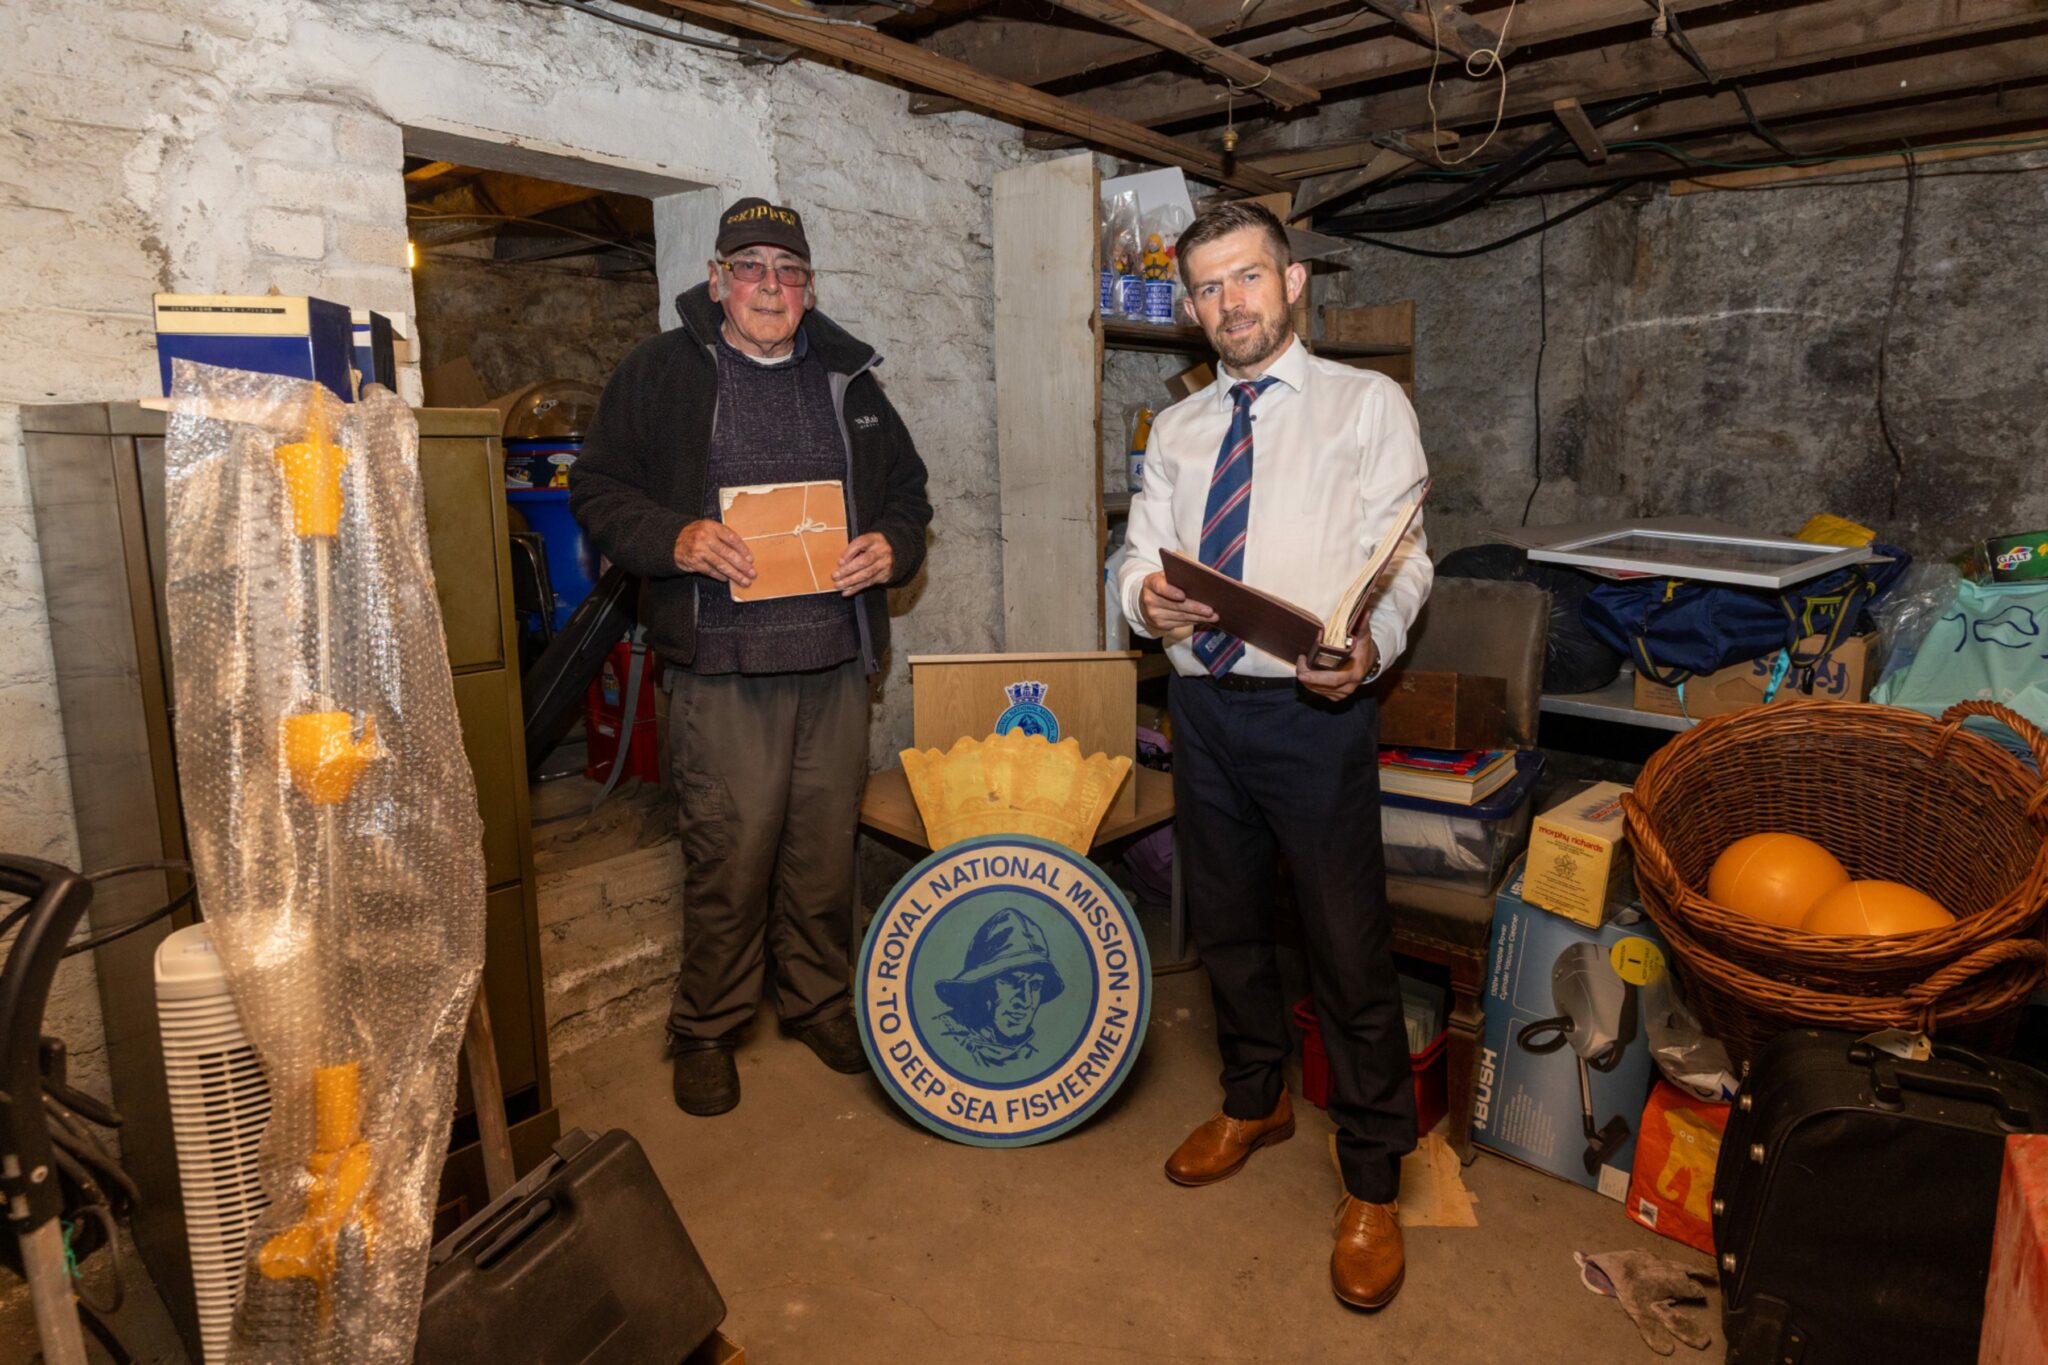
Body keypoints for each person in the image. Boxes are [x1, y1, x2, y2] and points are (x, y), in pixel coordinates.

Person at [1115, 200, 1433, 1309]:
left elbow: (1404, 561)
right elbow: (1135, 553)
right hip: (1202, 711)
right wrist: (1143, 600)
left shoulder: (1364, 405)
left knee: (1346, 947)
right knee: (1231, 926)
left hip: (1312, 716)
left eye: (1244, 278)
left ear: (1291, 282)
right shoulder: (1183, 428)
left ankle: (1372, 1173)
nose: (1225, 305)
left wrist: (1372, 651)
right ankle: (1254, 1100)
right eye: (1205, 289)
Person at [571, 197, 932, 1116]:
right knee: (729, 856)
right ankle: (707, 1025)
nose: (770, 286)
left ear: (808, 289)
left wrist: (894, 546)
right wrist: (677, 536)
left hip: (834, 664)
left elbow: (910, 496)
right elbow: (598, 490)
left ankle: (816, 1000)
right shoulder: (661, 373)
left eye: (788, 271)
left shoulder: (852, 379)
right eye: (752, 268)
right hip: (722, 669)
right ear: (717, 280)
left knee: (820, 855)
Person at [929, 907, 1064, 1068]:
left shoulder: (1032, 1058)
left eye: (1035, 985)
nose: (1026, 1001)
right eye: (1013, 982)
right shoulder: (936, 1039)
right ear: (979, 985)